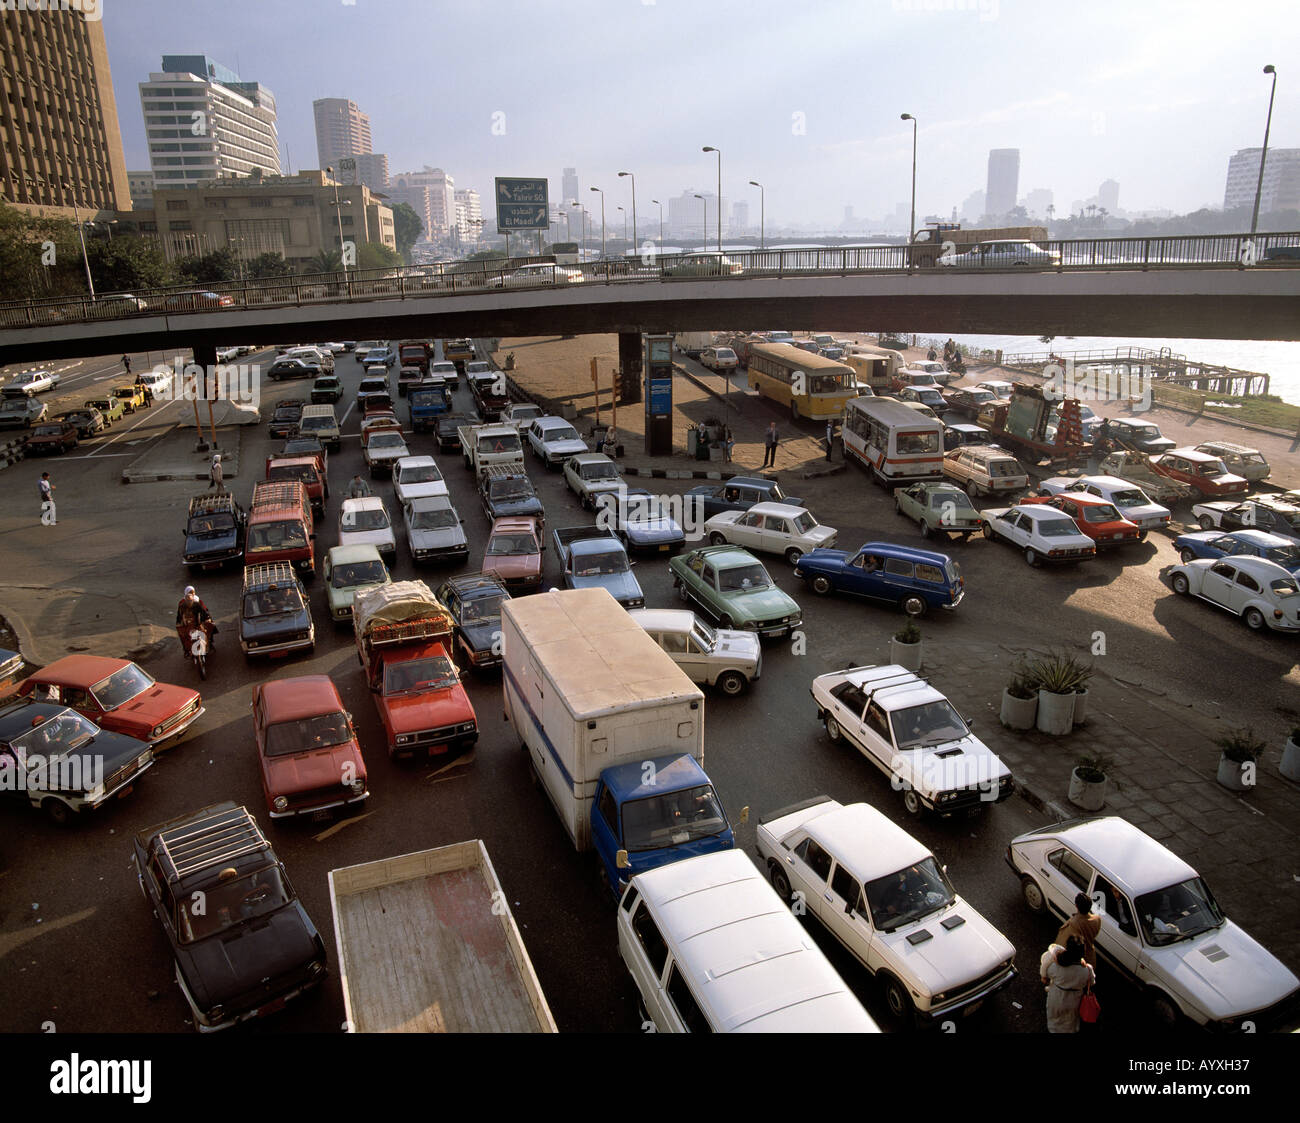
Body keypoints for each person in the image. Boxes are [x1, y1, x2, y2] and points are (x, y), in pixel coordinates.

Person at [1041, 936, 1095, 1033]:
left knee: (1054, 1020)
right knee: (1070, 1021)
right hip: (1074, 1001)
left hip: (1056, 998)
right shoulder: (1087, 969)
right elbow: (1091, 982)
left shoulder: (1055, 967)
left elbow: (1046, 974)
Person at [1057, 892, 1102, 968]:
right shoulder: (1097, 919)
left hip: (1078, 962)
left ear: (1076, 906)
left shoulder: (1074, 923)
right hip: (1091, 958)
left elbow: (1062, 941)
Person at [175, 585, 215, 659]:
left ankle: (209, 643)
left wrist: (207, 618)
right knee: (182, 635)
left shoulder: (197, 602)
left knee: (208, 628)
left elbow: (204, 612)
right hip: (188, 624)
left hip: (197, 622)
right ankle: (186, 650)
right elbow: (179, 615)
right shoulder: (182, 605)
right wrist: (179, 623)